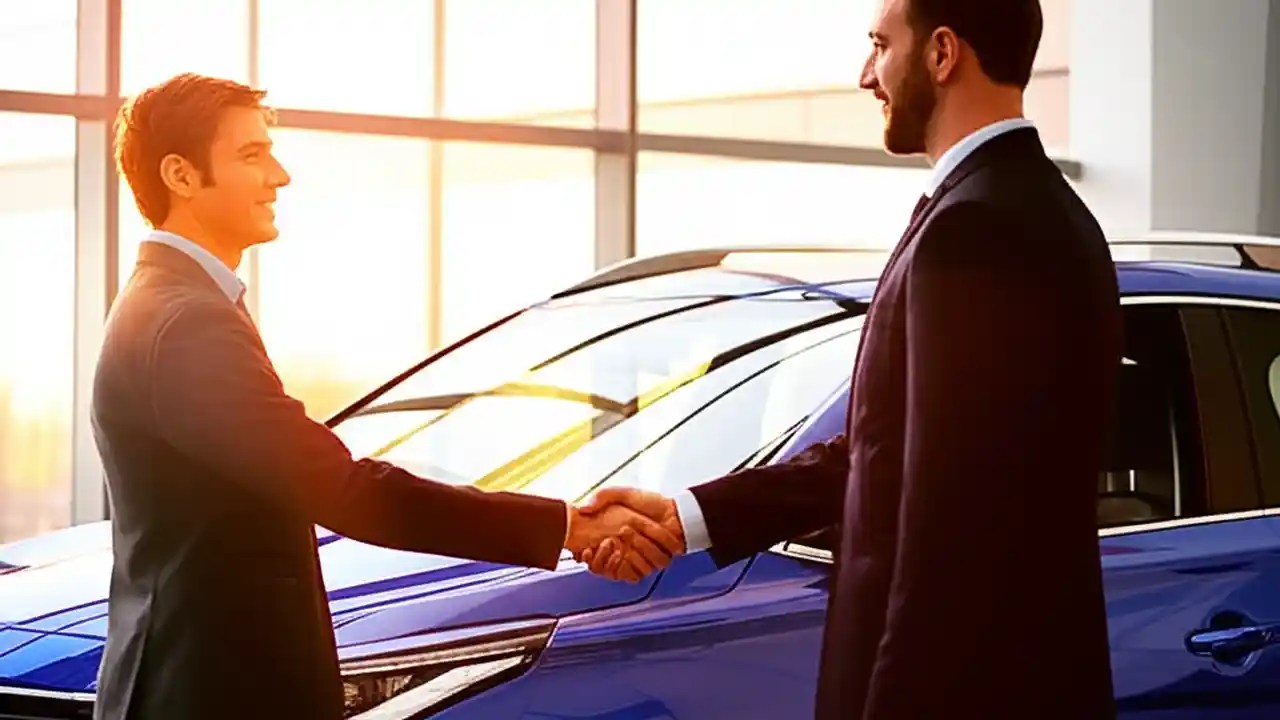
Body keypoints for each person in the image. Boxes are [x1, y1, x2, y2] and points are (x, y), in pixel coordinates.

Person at [579, 0, 1122, 718]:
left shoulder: (976, 228)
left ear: (941, 54)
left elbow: (946, 540)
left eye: (879, 45)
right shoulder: (1039, 213)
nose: (868, 76)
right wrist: (687, 517)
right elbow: (887, 456)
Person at [91, 73, 678, 720]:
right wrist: (568, 525)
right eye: (251, 155)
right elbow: (346, 490)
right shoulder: (185, 323)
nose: (279, 177)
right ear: (179, 175)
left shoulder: (168, 305)